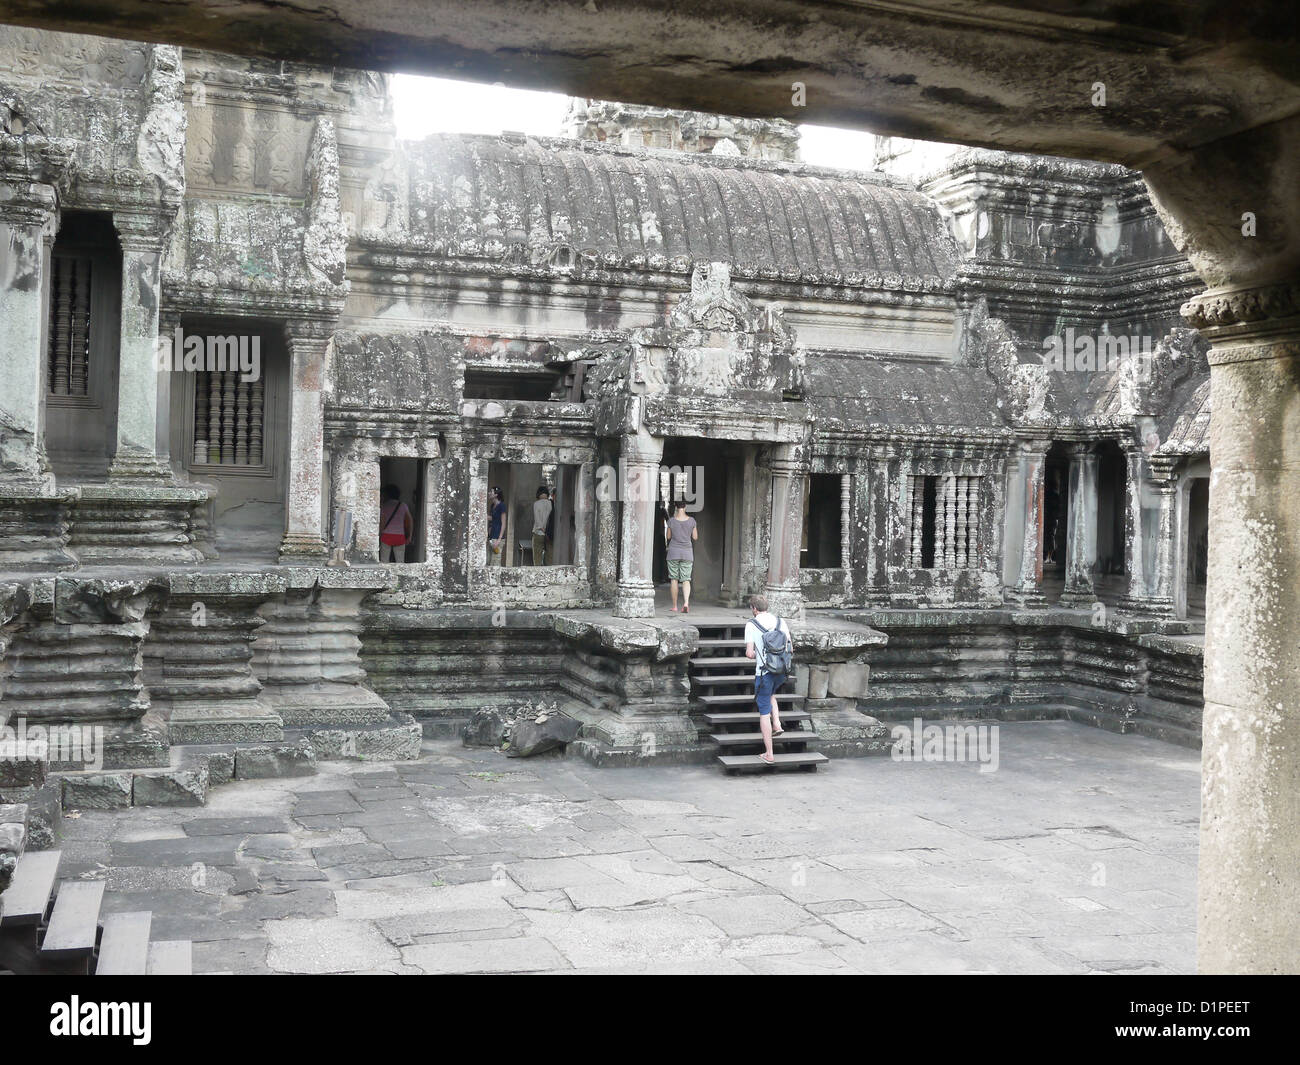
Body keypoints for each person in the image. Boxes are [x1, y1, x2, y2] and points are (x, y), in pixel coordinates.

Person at [744, 594, 790, 764]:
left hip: (764, 672)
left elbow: (749, 653)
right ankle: (777, 723)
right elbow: (789, 646)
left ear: (754, 609)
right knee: (771, 695)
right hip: (781, 670)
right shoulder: (780, 621)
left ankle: (769, 753)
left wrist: (759, 655)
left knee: (764, 712)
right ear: (767, 607)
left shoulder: (751, 624)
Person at [664, 500, 697, 613]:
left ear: (676, 507)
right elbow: (695, 537)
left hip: (673, 552)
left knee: (674, 579)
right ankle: (686, 603)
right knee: (686, 579)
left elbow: (668, 537)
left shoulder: (671, 521)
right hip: (687, 553)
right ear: (685, 507)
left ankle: (674, 606)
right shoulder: (692, 521)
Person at [378, 484, 412, 563]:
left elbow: (382, 522)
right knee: (400, 561)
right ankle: (401, 575)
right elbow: (409, 521)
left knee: (384, 561)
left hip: (386, 536)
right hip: (400, 536)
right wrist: (409, 536)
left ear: (386, 494)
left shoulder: (384, 506)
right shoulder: (403, 505)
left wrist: (379, 534)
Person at [532, 486, 552, 566]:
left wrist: (542, 529)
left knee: (537, 558)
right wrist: (547, 530)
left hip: (538, 532)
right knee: (549, 557)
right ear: (547, 493)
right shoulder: (551, 503)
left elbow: (537, 519)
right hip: (549, 534)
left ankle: (537, 574)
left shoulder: (536, 504)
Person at [487, 486, 507, 565]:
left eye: (491, 492)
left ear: (496, 495)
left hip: (498, 538)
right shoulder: (493, 506)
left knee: (495, 563)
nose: (489, 493)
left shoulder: (502, 506)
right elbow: (493, 519)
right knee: (489, 562)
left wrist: (499, 539)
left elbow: (503, 523)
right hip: (492, 537)